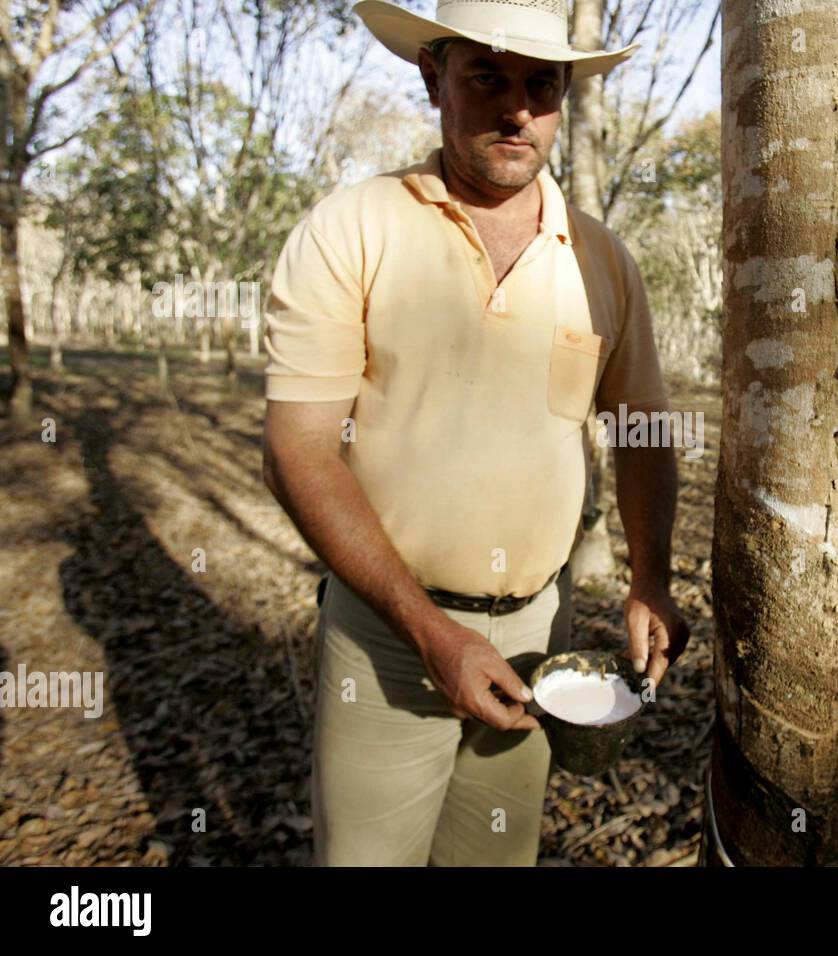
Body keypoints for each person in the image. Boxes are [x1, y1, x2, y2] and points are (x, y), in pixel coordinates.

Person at [260, 0, 689, 866]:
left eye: (543, 85)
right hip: (387, 639)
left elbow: (642, 428)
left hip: (542, 637)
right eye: (487, 77)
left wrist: (651, 579)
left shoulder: (601, 261)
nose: (516, 109)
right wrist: (428, 632)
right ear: (434, 76)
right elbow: (297, 449)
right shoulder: (353, 229)